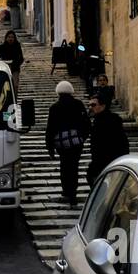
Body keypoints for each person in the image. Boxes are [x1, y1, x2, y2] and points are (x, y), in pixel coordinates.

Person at [46, 80, 90, 208]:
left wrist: (50, 147)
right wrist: (82, 137)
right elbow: (86, 122)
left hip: (62, 143)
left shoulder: (54, 107)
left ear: (58, 92)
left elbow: (50, 128)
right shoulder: (78, 104)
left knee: (64, 166)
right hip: (76, 142)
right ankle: (73, 193)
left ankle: (66, 191)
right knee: (74, 166)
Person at [87, 90, 130, 186]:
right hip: (100, 161)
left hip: (109, 160)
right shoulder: (97, 120)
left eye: (93, 105)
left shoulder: (111, 120)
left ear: (103, 106)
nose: (90, 107)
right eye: (89, 105)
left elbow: (121, 141)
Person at [0, 30, 24, 96]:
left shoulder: (17, 46)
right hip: (4, 69)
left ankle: (14, 99)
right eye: (9, 37)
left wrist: (16, 63)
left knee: (15, 85)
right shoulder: (1, 47)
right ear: (6, 38)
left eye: (12, 37)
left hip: (15, 69)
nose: (10, 39)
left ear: (14, 38)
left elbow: (21, 58)